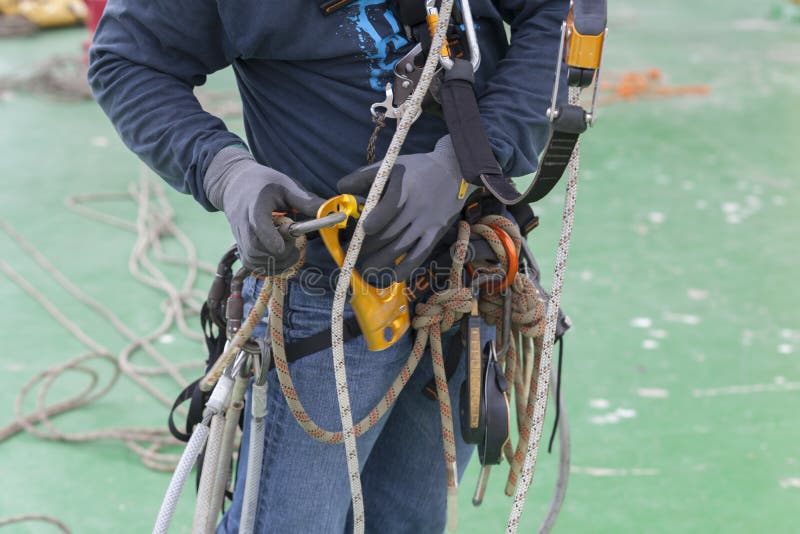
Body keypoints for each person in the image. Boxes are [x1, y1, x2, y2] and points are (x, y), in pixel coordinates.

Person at [88, 1, 567, 532]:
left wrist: (471, 158)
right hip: (323, 305)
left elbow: (558, 11)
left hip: (461, 279)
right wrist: (223, 171)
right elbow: (128, 61)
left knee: (410, 523)